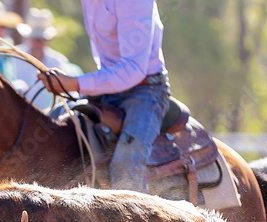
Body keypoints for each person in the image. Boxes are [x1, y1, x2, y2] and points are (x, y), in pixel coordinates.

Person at [39, 0, 170, 193]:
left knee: (127, 163)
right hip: (108, 89)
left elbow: (134, 68)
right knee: (50, 132)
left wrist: (75, 83)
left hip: (146, 92)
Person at [11, 8, 82, 111]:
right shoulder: (14, 57)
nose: (39, 42)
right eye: (36, 38)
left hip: (47, 119)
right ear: (28, 38)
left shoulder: (58, 61)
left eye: (42, 39)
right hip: (16, 115)